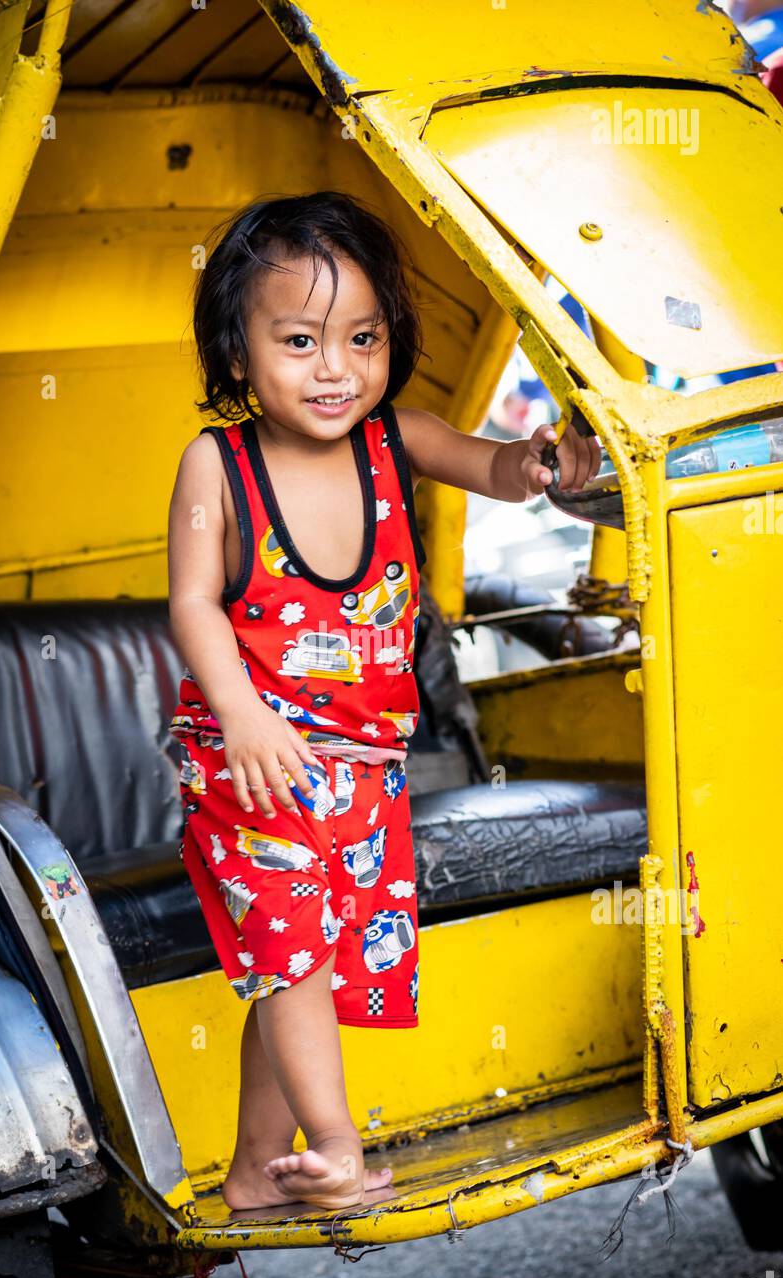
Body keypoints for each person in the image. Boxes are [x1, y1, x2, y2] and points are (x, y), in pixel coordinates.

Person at [166, 192, 600, 1212]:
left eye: (360, 338)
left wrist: (543, 462)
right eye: (300, 339)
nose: (335, 368)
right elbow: (191, 607)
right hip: (250, 763)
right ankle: (336, 1153)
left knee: (295, 967)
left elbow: (494, 467)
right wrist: (242, 712)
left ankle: (250, 1176)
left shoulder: (392, 441)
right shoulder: (214, 467)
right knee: (293, 959)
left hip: (360, 769)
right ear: (236, 352)